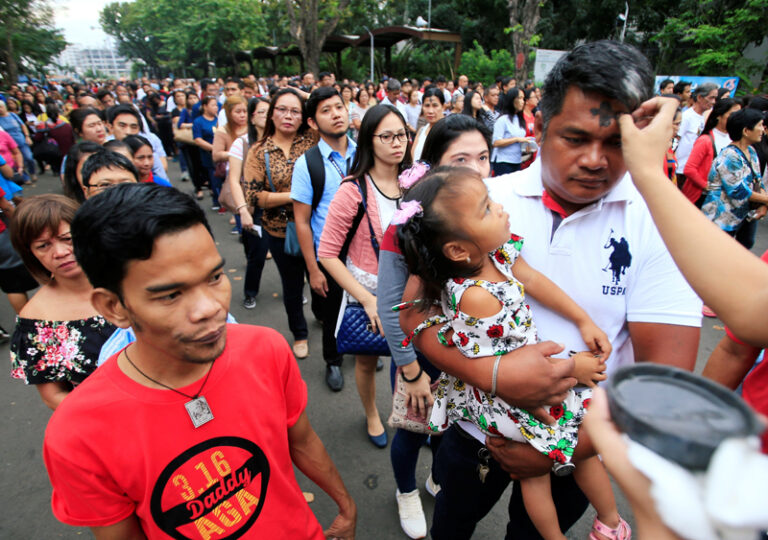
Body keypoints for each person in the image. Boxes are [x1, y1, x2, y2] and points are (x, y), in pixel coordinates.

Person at [400, 40, 701, 540]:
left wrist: (561, 448)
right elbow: (413, 308)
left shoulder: (665, 227)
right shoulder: (481, 203)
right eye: (576, 137)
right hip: (476, 435)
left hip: (577, 443)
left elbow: (661, 386)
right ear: (539, 123)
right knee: (451, 525)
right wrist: (492, 373)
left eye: (616, 143)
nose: (595, 160)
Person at [43, 183, 357, 539]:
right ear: (114, 307)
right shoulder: (77, 433)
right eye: (171, 294)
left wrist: (346, 506)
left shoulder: (265, 349)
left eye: (215, 277)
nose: (211, 308)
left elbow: (302, 440)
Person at [397, 166, 628, 540]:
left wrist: (583, 319)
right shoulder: (474, 297)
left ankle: (610, 520)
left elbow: (534, 280)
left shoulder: (496, 253)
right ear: (457, 249)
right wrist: (573, 367)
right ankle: (594, 526)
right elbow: (510, 366)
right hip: (511, 402)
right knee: (539, 471)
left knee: (572, 453)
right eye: (487, 209)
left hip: (531, 382)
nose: (502, 209)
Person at [375, 114, 494, 539]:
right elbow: (391, 306)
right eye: (461, 158)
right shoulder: (405, 223)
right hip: (419, 358)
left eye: (483, 157)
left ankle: (436, 480)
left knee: (450, 433)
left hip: (465, 360)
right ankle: (406, 491)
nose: (476, 169)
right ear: (433, 166)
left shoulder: (490, 215)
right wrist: (410, 371)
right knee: (413, 432)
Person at [318, 104, 411, 448]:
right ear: (368, 141)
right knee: (367, 355)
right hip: (369, 286)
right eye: (386, 136)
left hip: (412, 290)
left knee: (412, 359)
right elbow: (327, 253)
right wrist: (367, 298)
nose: (396, 143)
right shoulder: (352, 190)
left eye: (400, 134)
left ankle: (414, 417)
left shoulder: (416, 181)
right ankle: (372, 413)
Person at [9, 195, 118, 410]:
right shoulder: (35, 320)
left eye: (67, 238)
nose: (60, 252)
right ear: (30, 253)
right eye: (43, 246)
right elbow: (53, 395)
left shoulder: (129, 276)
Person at [244, 88, 318, 358]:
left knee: (321, 278)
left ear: (303, 116)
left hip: (317, 226)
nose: (288, 116)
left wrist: (304, 94)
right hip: (280, 230)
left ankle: (322, 315)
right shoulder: (259, 151)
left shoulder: (312, 140)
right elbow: (253, 196)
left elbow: (328, 109)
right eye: (282, 109)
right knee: (292, 284)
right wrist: (296, 195)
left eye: (295, 110)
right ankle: (299, 333)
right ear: (272, 114)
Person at [291, 87, 357, 387]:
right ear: (314, 122)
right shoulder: (308, 164)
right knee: (332, 312)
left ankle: (362, 350)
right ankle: (332, 360)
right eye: (326, 110)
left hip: (363, 252)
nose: (336, 114)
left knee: (361, 302)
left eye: (339, 107)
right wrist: (313, 269)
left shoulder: (364, 153)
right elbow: (302, 222)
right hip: (328, 255)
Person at [701, 108, 767, 250]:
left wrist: (763, 203)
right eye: (760, 125)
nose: (762, 129)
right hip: (720, 219)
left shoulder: (751, 151)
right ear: (746, 131)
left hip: (740, 217)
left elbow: (757, 180)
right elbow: (738, 192)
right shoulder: (730, 156)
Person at [227, 96, 270, 310]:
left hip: (283, 207)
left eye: (271, 111)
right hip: (255, 208)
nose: (267, 116)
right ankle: (250, 292)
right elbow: (234, 180)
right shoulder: (241, 143)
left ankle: (295, 290)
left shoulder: (282, 141)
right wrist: (243, 210)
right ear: (252, 118)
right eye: (262, 112)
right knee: (257, 255)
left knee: (291, 255)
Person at [682, 98, 739, 206]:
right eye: (732, 114)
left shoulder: (733, 140)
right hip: (701, 197)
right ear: (719, 115)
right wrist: (706, 186)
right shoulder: (705, 140)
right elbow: (689, 169)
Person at [675, 83, 718, 187]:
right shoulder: (687, 116)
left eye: (715, 98)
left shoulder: (703, 117)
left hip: (692, 170)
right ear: (699, 97)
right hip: (680, 169)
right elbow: (676, 140)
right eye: (711, 98)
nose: (713, 102)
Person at [491, 89, 532, 176]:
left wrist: (527, 147)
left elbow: (520, 141)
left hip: (517, 161)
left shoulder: (520, 119)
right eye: (519, 98)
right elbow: (496, 142)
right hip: (503, 161)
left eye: (523, 99)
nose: (522, 102)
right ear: (512, 100)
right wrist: (516, 139)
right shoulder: (503, 119)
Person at [193, 96, 221, 210]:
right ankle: (217, 201)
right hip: (209, 155)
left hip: (223, 153)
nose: (216, 108)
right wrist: (213, 148)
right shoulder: (198, 121)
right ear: (205, 106)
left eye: (216, 105)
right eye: (213, 105)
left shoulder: (219, 119)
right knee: (214, 178)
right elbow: (197, 139)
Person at [0, 100, 36, 182]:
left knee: (29, 157)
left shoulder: (12, 115)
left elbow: (23, 125)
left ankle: (32, 172)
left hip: (21, 140)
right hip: (9, 143)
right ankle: (25, 177)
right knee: (16, 160)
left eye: (1, 107)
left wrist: (27, 136)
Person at [410, 86, 445, 161]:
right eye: (427, 106)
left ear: (443, 107)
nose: (430, 111)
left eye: (435, 106)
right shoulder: (421, 131)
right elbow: (412, 159)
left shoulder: (449, 131)